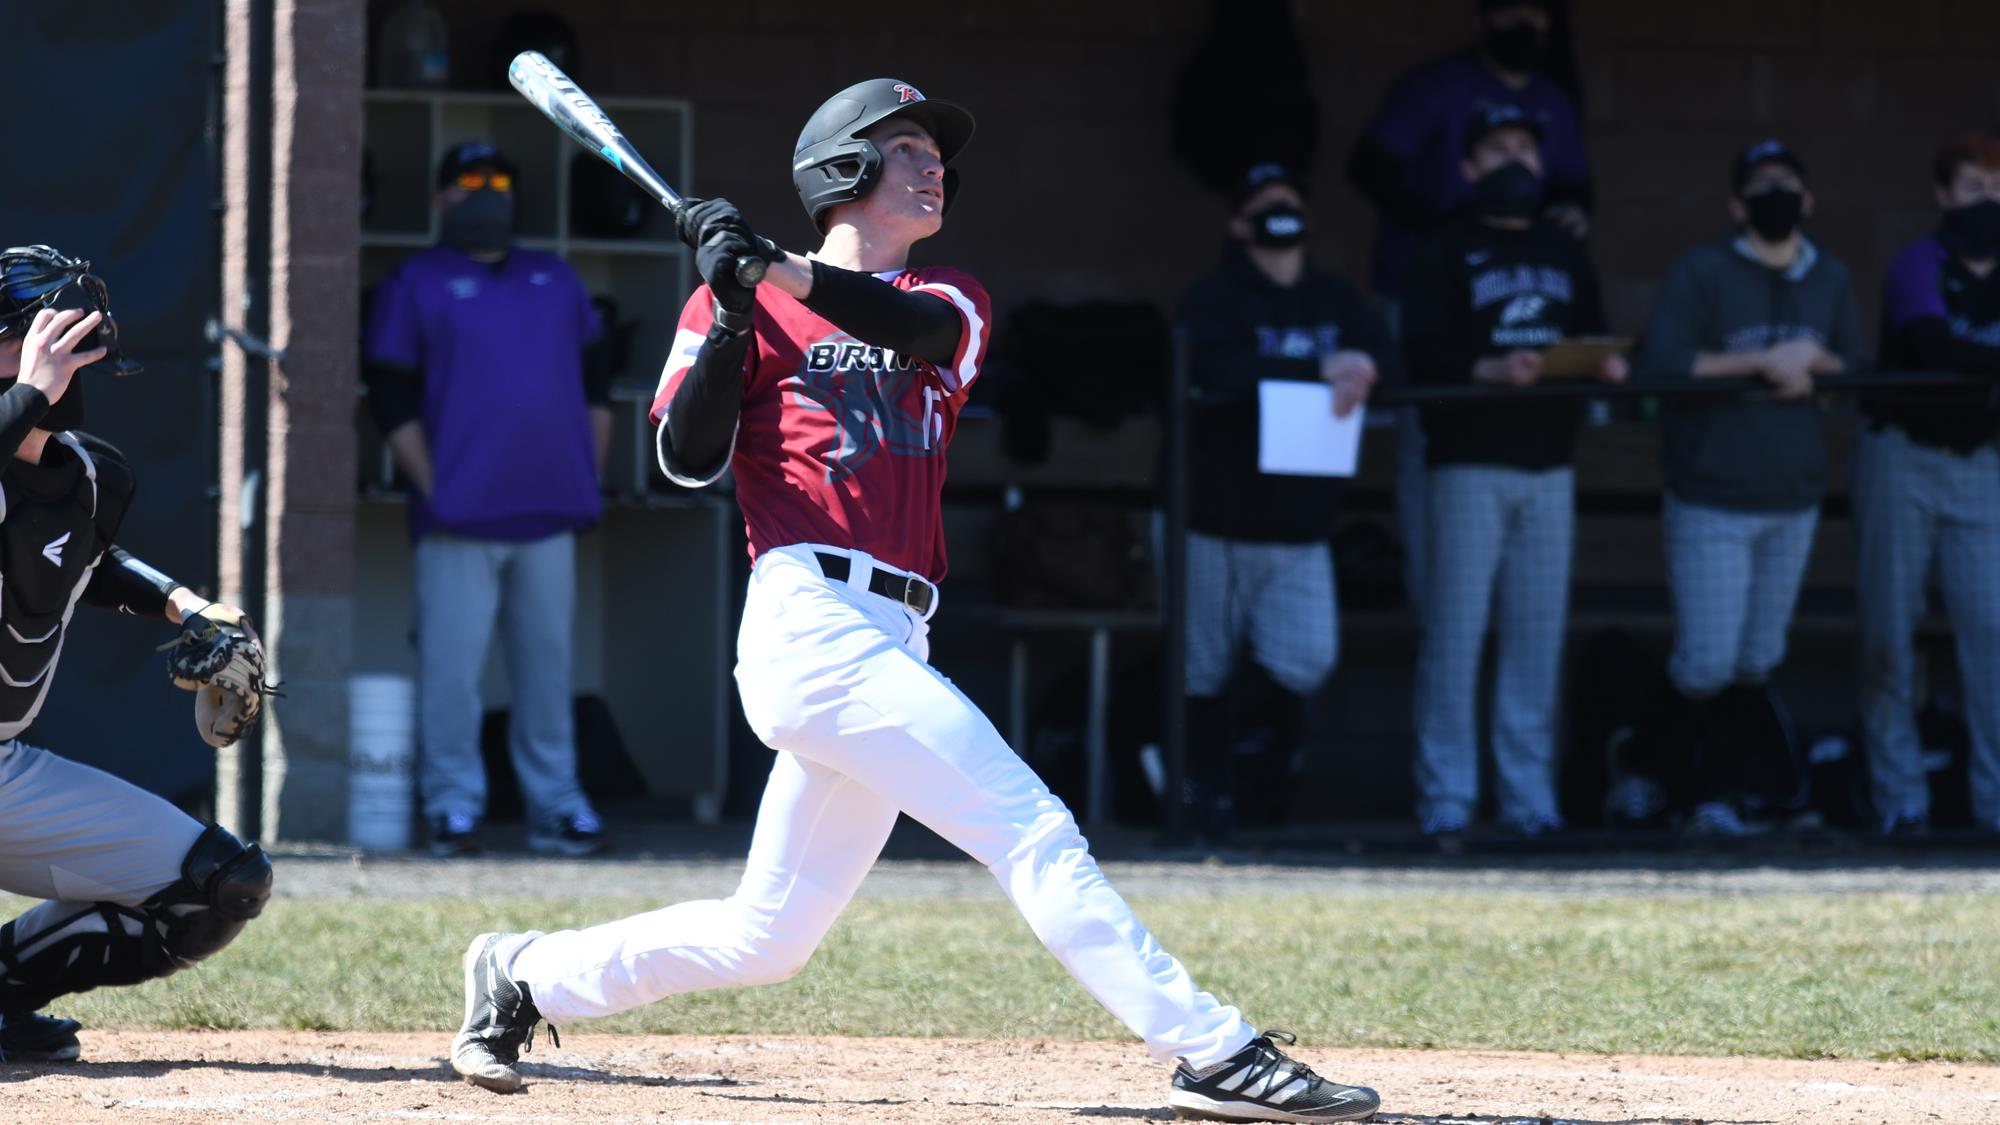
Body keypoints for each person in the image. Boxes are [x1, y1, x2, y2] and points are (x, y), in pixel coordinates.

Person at [445, 79, 1382, 1123]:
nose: (931, 164)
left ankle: (523, 974)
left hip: (895, 630)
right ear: (840, 170)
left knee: (768, 937)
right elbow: (683, 457)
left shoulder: (951, 298)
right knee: (1030, 828)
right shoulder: (735, 301)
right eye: (901, 147)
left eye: (932, 150)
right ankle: (1212, 1050)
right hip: (808, 623)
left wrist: (780, 271)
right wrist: (731, 313)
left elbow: (912, 332)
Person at [0, 245, 273, 1062]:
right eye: (35, 331)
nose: (61, 348)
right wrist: (24, 393)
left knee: (218, 884)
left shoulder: (90, 479)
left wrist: (184, 603)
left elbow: (76, 556)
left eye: (74, 330)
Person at [364, 141, 610, 858]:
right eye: (471, 181)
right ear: (441, 198)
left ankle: (558, 805)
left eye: (501, 179)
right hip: (456, 520)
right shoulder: (416, 281)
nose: (488, 192)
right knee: (451, 671)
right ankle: (452, 806)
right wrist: (435, 483)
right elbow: (389, 392)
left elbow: (596, 385)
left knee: (548, 668)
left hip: (548, 514)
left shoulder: (556, 279)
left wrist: (584, 477)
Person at [1403, 103, 1624, 839]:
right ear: (1469, 167)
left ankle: (1530, 799)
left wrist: (1604, 362)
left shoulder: (1565, 253)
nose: (1514, 160)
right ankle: (1447, 798)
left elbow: (1591, 336)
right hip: (1468, 463)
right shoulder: (1443, 248)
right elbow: (1419, 356)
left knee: (1535, 637)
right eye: (1497, 147)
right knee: (1456, 635)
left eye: (1526, 148)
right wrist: (1491, 367)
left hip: (1549, 464)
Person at [1636, 139, 1865, 836]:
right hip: (1711, 496)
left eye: (1787, 182)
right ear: (1737, 204)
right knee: (1705, 661)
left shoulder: (1830, 277)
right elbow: (1663, 364)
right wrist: (1760, 361)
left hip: (1791, 497)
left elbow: (1854, 369)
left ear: (1809, 198)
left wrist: (1812, 359)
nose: (1776, 194)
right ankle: (1661, 778)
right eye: (1761, 184)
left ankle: (1728, 795)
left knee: (1755, 659)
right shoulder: (1701, 271)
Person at [1346, 0, 1593, 626]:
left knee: (1520, 444)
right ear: (1482, 19)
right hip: (1424, 290)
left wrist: (1567, 214)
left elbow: (1573, 184)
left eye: (1538, 15)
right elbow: (1369, 167)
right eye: (1514, 13)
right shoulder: (1438, 84)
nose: (1528, 27)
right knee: (1425, 444)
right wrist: (1447, 232)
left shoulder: (1552, 100)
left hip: (1515, 301)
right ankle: (1437, 604)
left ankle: (1502, 614)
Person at [1175, 161, 1388, 837]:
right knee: (1202, 665)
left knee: (1306, 655)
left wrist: (1364, 367)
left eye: (1291, 198)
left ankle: (1261, 775)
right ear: (1240, 221)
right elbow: (1214, 371)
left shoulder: (1337, 299)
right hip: (1217, 515)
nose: (1280, 210)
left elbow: (1384, 357)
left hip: (1302, 524)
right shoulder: (1213, 297)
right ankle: (1204, 794)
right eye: (1264, 201)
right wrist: (1312, 369)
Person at [1856, 134, 2000, 836]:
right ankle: (1900, 800)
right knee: (1890, 630)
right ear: (1946, 195)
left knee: (1995, 633)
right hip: (1902, 457)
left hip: (1981, 462)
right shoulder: (1919, 261)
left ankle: (1995, 802)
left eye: (1999, 188)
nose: (1989, 201)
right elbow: (1931, 346)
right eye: (1975, 186)